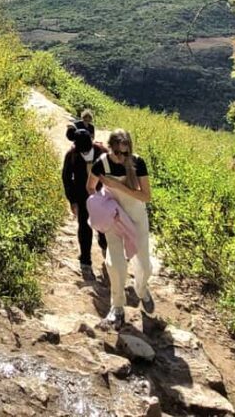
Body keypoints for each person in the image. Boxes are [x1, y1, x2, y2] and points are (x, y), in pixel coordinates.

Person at [86, 129, 154, 330]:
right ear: (109, 148)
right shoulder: (101, 164)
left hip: (136, 216)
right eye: (117, 152)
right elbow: (90, 187)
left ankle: (141, 289)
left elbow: (146, 196)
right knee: (115, 264)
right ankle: (117, 307)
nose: (121, 157)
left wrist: (117, 185)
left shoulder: (138, 162)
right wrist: (102, 206)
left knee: (145, 265)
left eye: (125, 152)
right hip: (114, 216)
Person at [62, 127, 108, 281]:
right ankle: (85, 261)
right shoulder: (72, 155)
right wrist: (72, 200)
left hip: (101, 195)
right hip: (82, 197)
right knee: (84, 227)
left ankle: (105, 246)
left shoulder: (101, 152)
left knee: (104, 225)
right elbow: (67, 179)